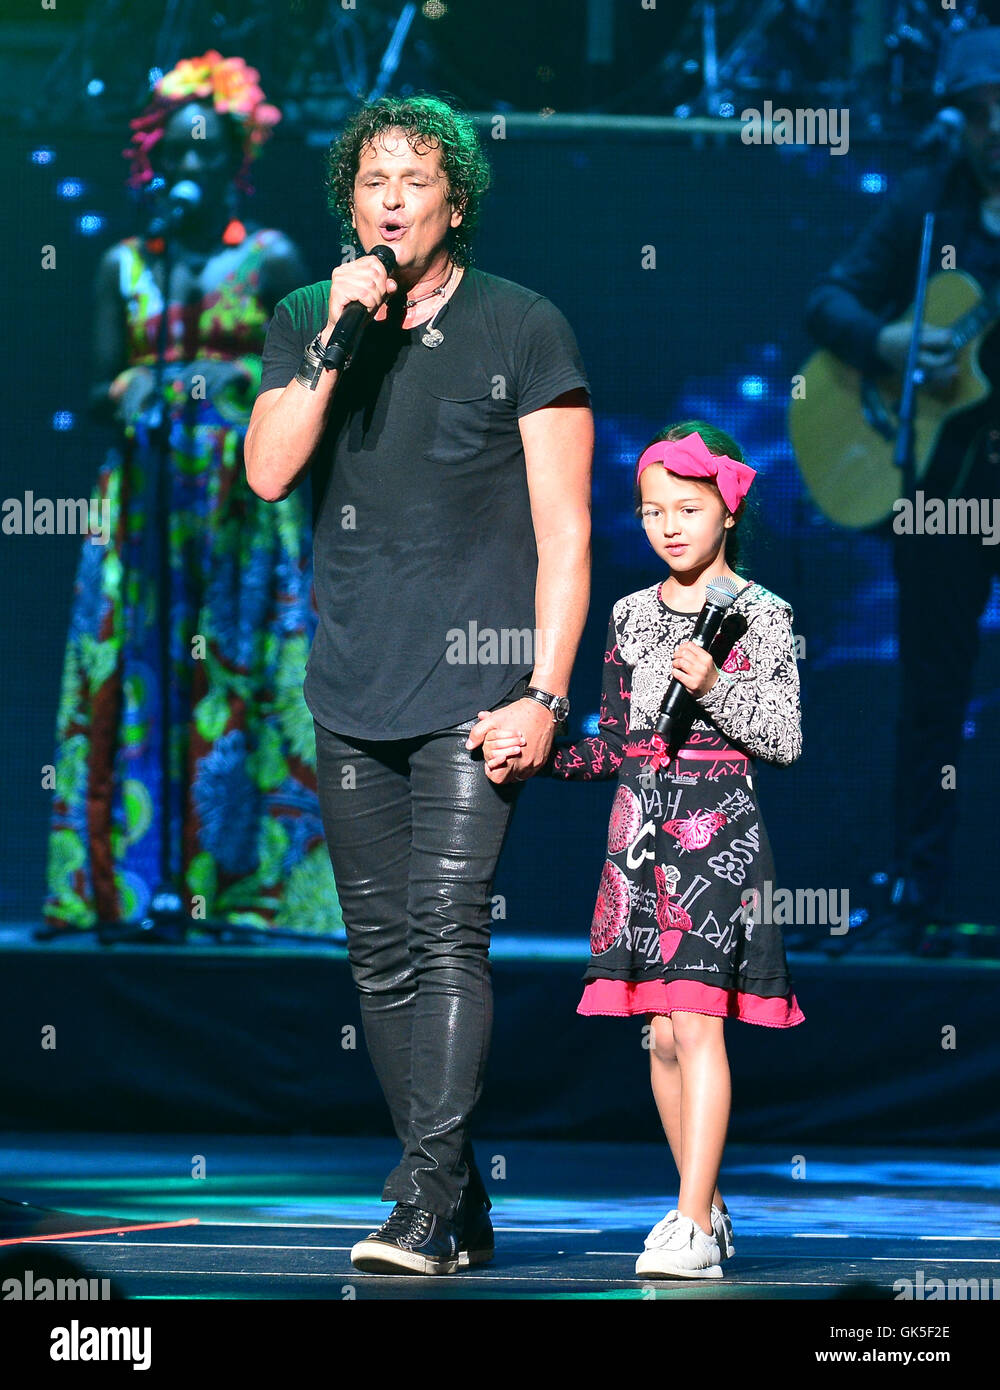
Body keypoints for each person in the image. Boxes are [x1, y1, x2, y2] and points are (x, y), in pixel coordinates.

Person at [245, 94, 593, 1274]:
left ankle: (421, 1204)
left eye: (415, 179)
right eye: (371, 181)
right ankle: (458, 1195)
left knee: (448, 936)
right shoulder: (307, 314)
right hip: (352, 677)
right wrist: (339, 341)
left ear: (457, 198)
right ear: (348, 199)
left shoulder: (523, 325)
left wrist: (546, 693)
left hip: (479, 686)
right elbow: (268, 470)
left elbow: (565, 532)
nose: (391, 201)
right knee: (379, 953)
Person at [483, 423, 804, 1279]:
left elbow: (784, 737)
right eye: (652, 511)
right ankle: (709, 1207)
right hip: (638, 841)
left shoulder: (762, 615)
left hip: (717, 839)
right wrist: (540, 753)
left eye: (687, 508)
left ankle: (691, 1224)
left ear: (727, 510)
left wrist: (715, 684)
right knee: (660, 1033)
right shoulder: (628, 614)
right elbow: (619, 744)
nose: (669, 526)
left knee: (698, 1020)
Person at [43, 52, 344, 937]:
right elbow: (98, 389)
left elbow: (306, 381)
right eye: (176, 153)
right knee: (139, 680)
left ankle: (247, 892)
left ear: (238, 159)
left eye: (211, 153)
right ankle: (128, 888)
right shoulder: (122, 265)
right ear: (151, 161)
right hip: (144, 503)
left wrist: (223, 381)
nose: (192, 168)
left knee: (237, 678)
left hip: (242, 503)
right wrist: (133, 391)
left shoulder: (273, 258)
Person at [804, 28, 1000, 954]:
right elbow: (831, 301)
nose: (996, 127)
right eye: (980, 111)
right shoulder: (927, 211)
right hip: (940, 491)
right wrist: (883, 344)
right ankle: (914, 895)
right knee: (931, 691)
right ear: (955, 119)